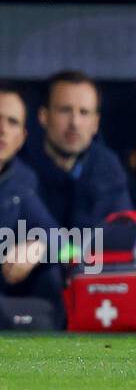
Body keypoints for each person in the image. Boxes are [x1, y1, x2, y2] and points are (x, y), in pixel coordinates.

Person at [22, 71, 131, 231]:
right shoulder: (18, 166)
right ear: (43, 116)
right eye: (65, 110)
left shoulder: (109, 169)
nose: (75, 123)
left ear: (95, 123)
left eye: (84, 112)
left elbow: (124, 234)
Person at [0, 85, 64, 331]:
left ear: (21, 138)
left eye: (12, 122)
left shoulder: (20, 181)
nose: (3, 130)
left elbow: (60, 238)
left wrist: (38, 246)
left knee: (50, 273)